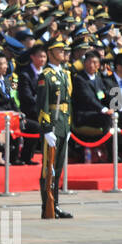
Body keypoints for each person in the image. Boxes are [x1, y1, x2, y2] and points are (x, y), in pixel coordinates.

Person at [37, 38, 73, 219]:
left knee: (57, 169)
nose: (63, 52)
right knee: (47, 169)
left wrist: (69, 126)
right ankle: (47, 206)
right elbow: (42, 104)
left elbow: (68, 102)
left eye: (63, 49)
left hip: (63, 125)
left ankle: (55, 204)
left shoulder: (65, 74)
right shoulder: (46, 75)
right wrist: (46, 129)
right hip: (52, 125)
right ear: (50, 52)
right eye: (58, 50)